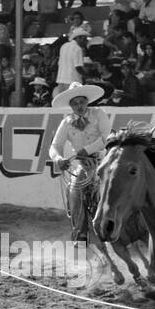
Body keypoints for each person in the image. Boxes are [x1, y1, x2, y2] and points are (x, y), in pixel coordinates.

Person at [48, 82, 112, 242]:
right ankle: (80, 233)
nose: (79, 106)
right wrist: (58, 158)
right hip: (84, 165)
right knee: (75, 190)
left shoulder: (99, 114)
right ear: (71, 106)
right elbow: (55, 145)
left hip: (104, 160)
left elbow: (107, 138)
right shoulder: (67, 122)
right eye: (75, 103)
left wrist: (87, 150)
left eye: (82, 102)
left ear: (87, 101)